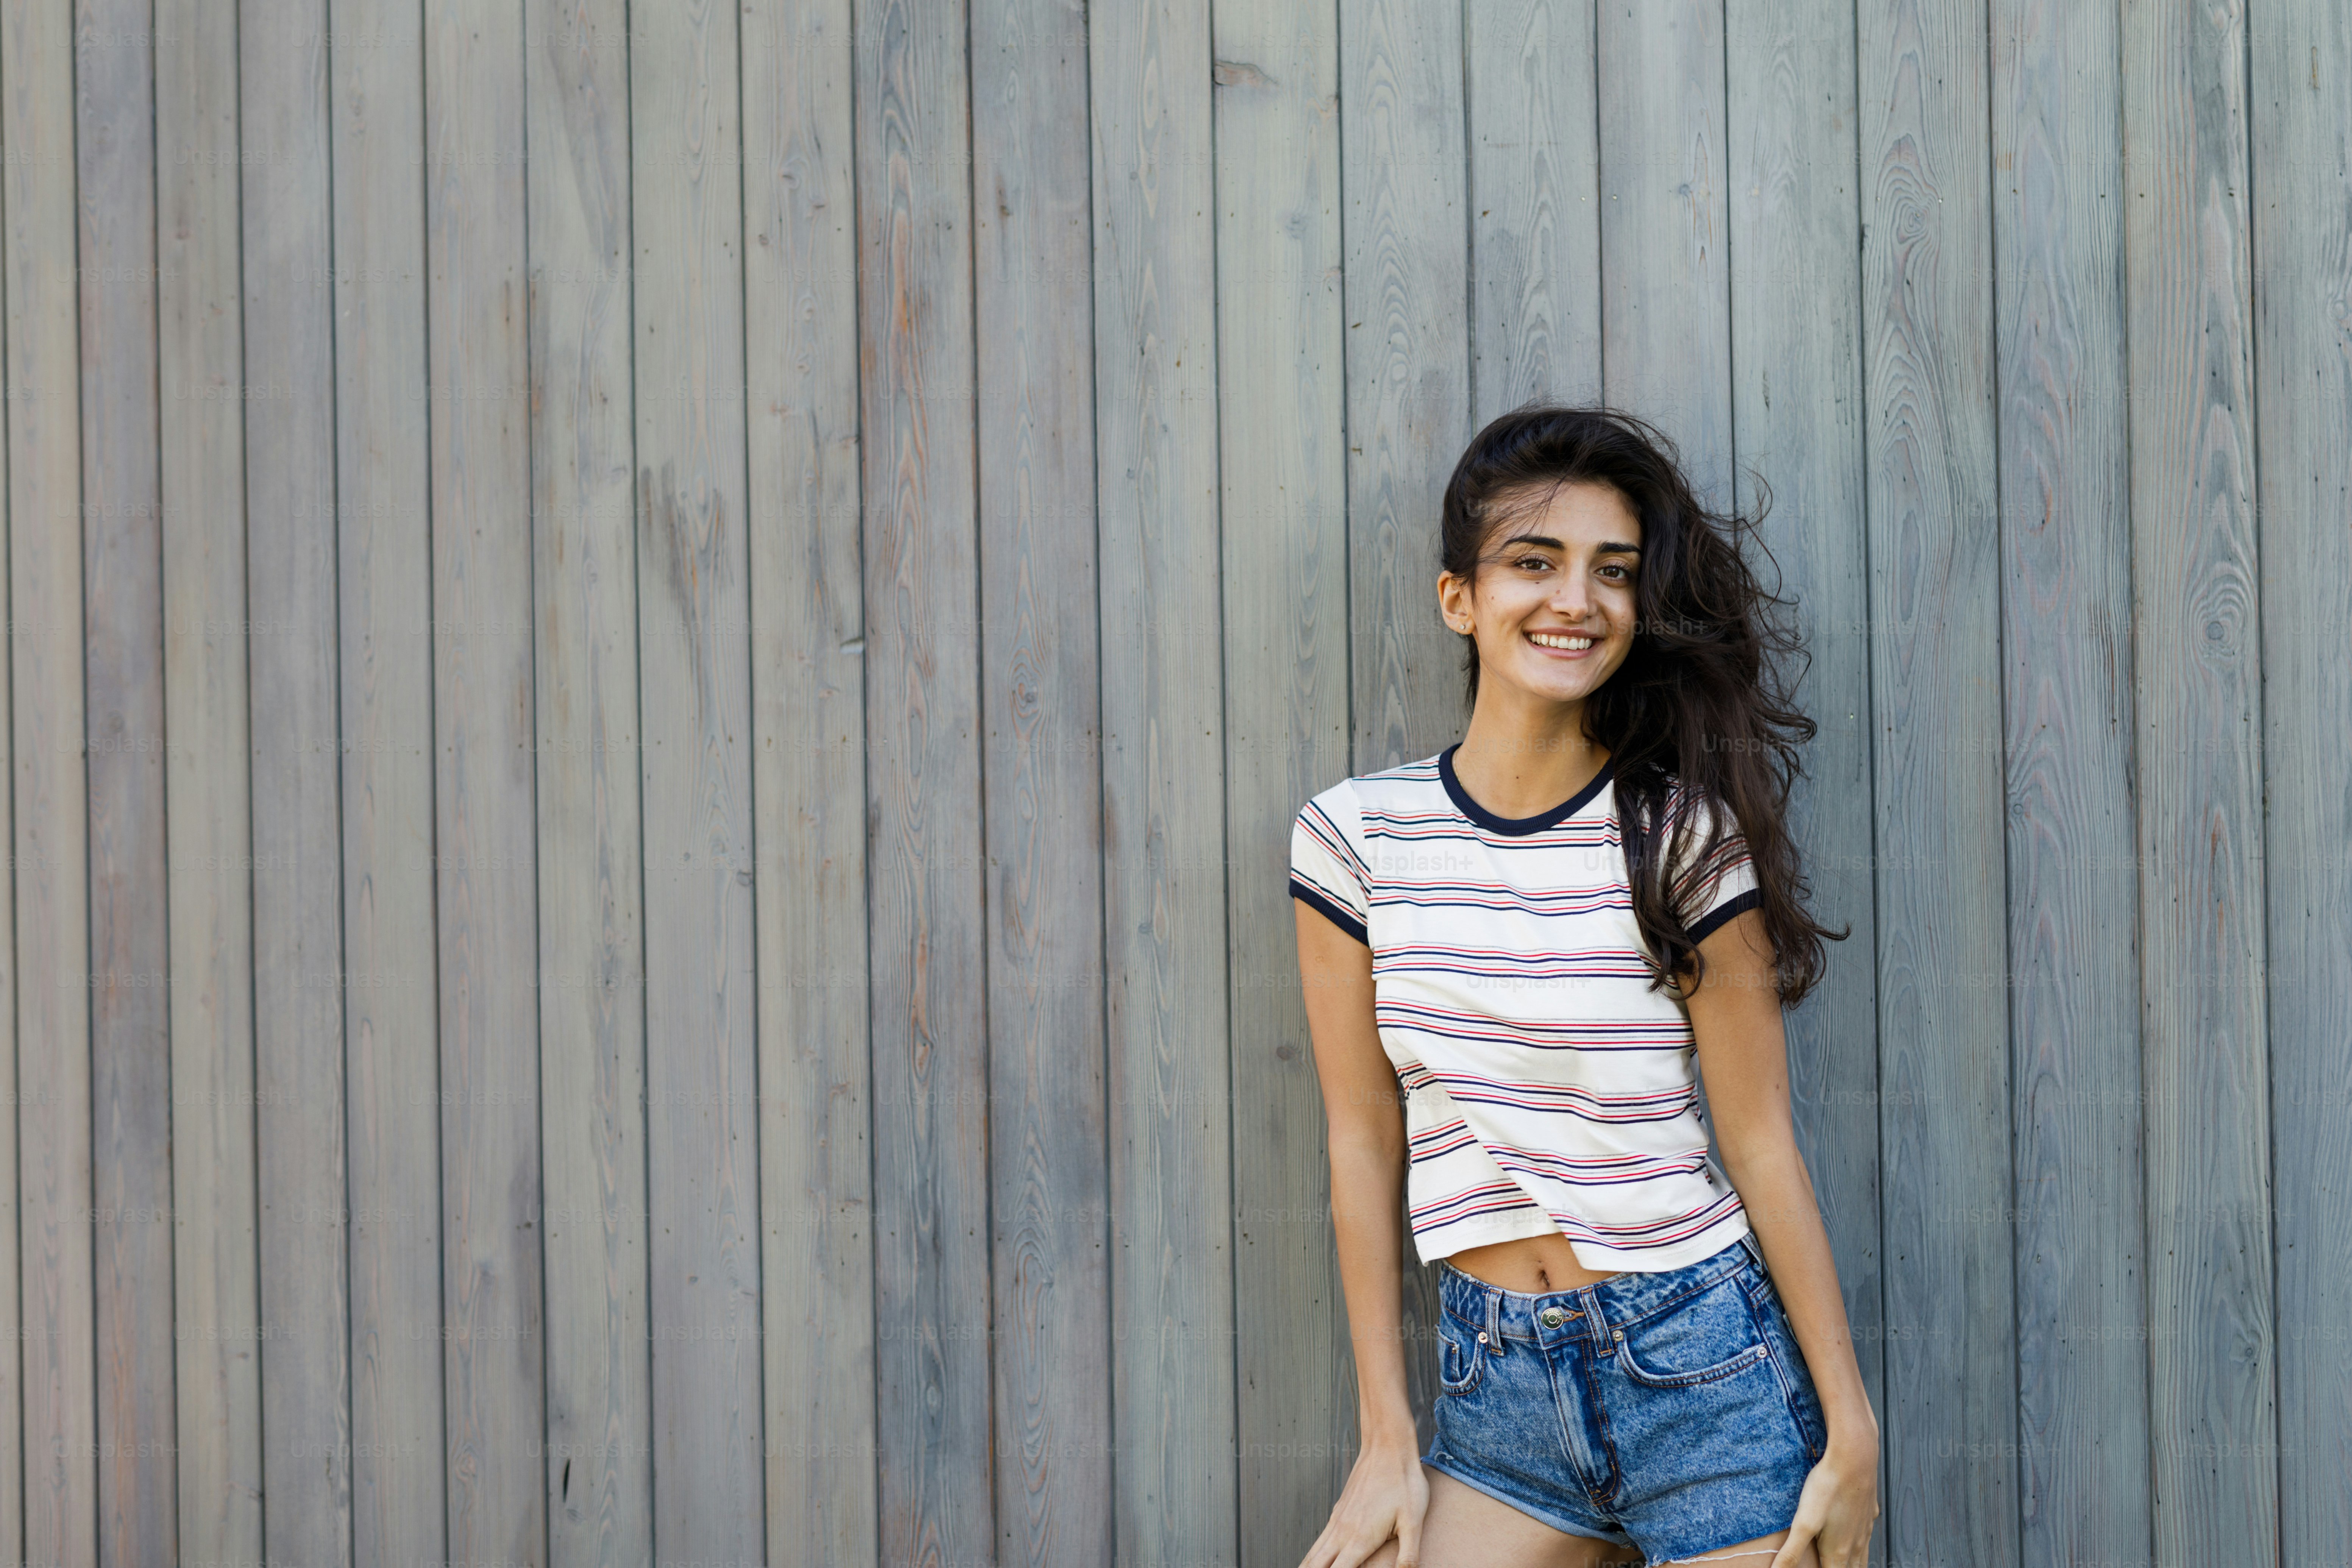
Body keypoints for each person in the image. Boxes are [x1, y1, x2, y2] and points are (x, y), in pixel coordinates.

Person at [1288, 406, 1880, 1568]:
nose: (1577, 600)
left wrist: (1851, 1427)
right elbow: (1360, 1138)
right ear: (1458, 598)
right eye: (1533, 562)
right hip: (1494, 1391)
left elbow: (1760, 1141)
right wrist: (1384, 1438)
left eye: (1612, 572)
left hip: (1704, 1368)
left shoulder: (1679, 836)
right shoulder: (1354, 837)